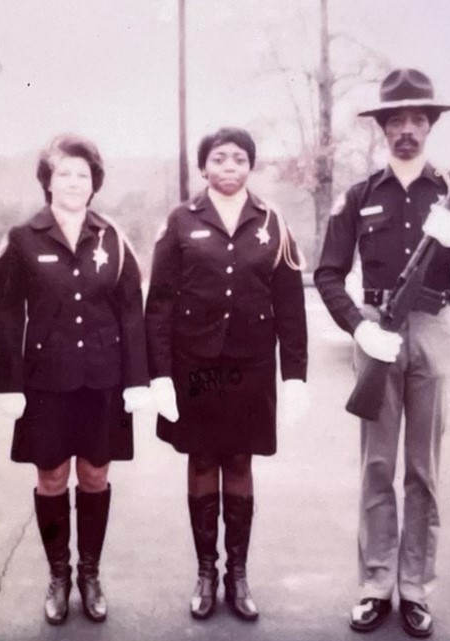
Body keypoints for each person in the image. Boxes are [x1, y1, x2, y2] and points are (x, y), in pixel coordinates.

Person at [314, 68, 450, 638]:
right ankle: (375, 584)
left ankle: (415, 588)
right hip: (378, 331)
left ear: (431, 126)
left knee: (424, 471)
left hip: (434, 328)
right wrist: (358, 328)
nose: (407, 131)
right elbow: (326, 274)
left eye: (418, 120)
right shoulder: (358, 196)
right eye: (396, 120)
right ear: (383, 129)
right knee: (377, 467)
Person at [145, 127, 309, 622]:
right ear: (204, 167)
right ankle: (205, 573)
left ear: (250, 166)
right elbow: (160, 305)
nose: (230, 166)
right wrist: (160, 375)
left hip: (250, 365)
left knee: (239, 461)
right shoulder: (180, 221)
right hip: (195, 364)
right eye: (219, 158)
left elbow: (290, 303)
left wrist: (295, 374)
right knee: (201, 461)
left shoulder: (273, 222)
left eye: (240, 158)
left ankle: (237, 574)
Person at [0, 134, 152, 625]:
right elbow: (5, 313)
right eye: (64, 173)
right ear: (48, 181)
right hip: (46, 381)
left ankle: (90, 573)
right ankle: (58, 575)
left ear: (94, 182)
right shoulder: (23, 238)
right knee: (52, 476)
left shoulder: (113, 238)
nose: (74, 182)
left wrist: (137, 379)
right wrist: (8, 384)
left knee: (96, 475)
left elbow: (130, 312)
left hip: (103, 379)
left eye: (83, 174)